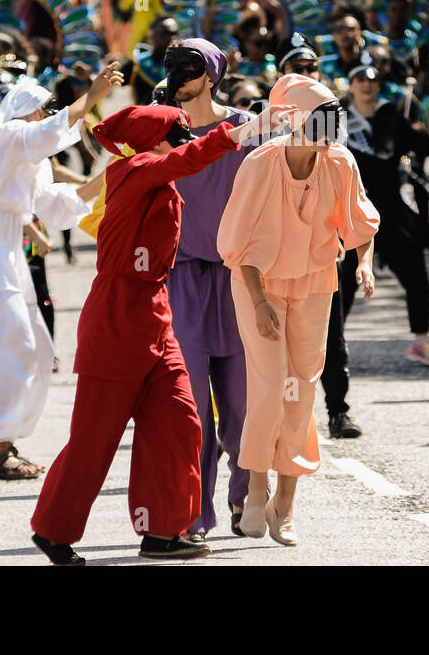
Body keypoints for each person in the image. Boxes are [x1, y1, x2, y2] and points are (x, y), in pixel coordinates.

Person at [30, 99, 287, 564]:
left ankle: (162, 531)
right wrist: (243, 131)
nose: (188, 140)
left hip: (155, 314)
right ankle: (53, 530)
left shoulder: (158, 173)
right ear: (153, 142)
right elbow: (187, 158)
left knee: (180, 423)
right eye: (179, 133)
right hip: (116, 320)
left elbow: (185, 162)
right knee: (95, 438)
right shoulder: (134, 169)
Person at [218, 74, 379, 546]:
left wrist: (364, 265)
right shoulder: (259, 165)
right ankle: (254, 489)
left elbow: (360, 224)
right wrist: (261, 302)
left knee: (300, 391)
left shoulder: (341, 163)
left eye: (334, 117)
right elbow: (238, 245)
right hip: (258, 286)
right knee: (269, 387)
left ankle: (285, 503)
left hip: (314, 286)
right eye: (322, 118)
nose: (331, 128)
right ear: (297, 121)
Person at [0, 66, 119, 479]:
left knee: (39, 351)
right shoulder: (8, 137)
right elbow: (49, 132)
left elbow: (58, 206)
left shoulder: (31, 160)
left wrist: (111, 175)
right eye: (43, 109)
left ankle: (6, 441)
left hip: (8, 253)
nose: (48, 115)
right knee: (21, 347)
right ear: (24, 111)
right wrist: (92, 95)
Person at [161, 38, 260, 539]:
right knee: (192, 409)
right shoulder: (162, 128)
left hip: (239, 280)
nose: (178, 73)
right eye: (172, 65)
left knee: (241, 407)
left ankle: (244, 498)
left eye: (190, 66)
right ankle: (195, 513)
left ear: (213, 74)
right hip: (181, 281)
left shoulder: (244, 128)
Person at [272, 34, 362, 438]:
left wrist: (343, 233)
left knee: (331, 333)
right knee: (272, 337)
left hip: (323, 245)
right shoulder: (265, 118)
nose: (307, 75)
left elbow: (341, 181)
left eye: (312, 68)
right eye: (297, 69)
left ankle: (338, 411)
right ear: (280, 74)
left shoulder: (331, 116)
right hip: (275, 248)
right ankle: (273, 417)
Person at [341, 63, 429, 365]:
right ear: (351, 84)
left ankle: (421, 341)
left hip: (391, 206)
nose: (367, 86)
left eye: (372, 80)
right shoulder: (338, 120)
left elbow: (423, 146)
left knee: (416, 275)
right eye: (360, 80)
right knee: (343, 281)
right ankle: (333, 345)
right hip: (350, 209)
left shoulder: (391, 114)